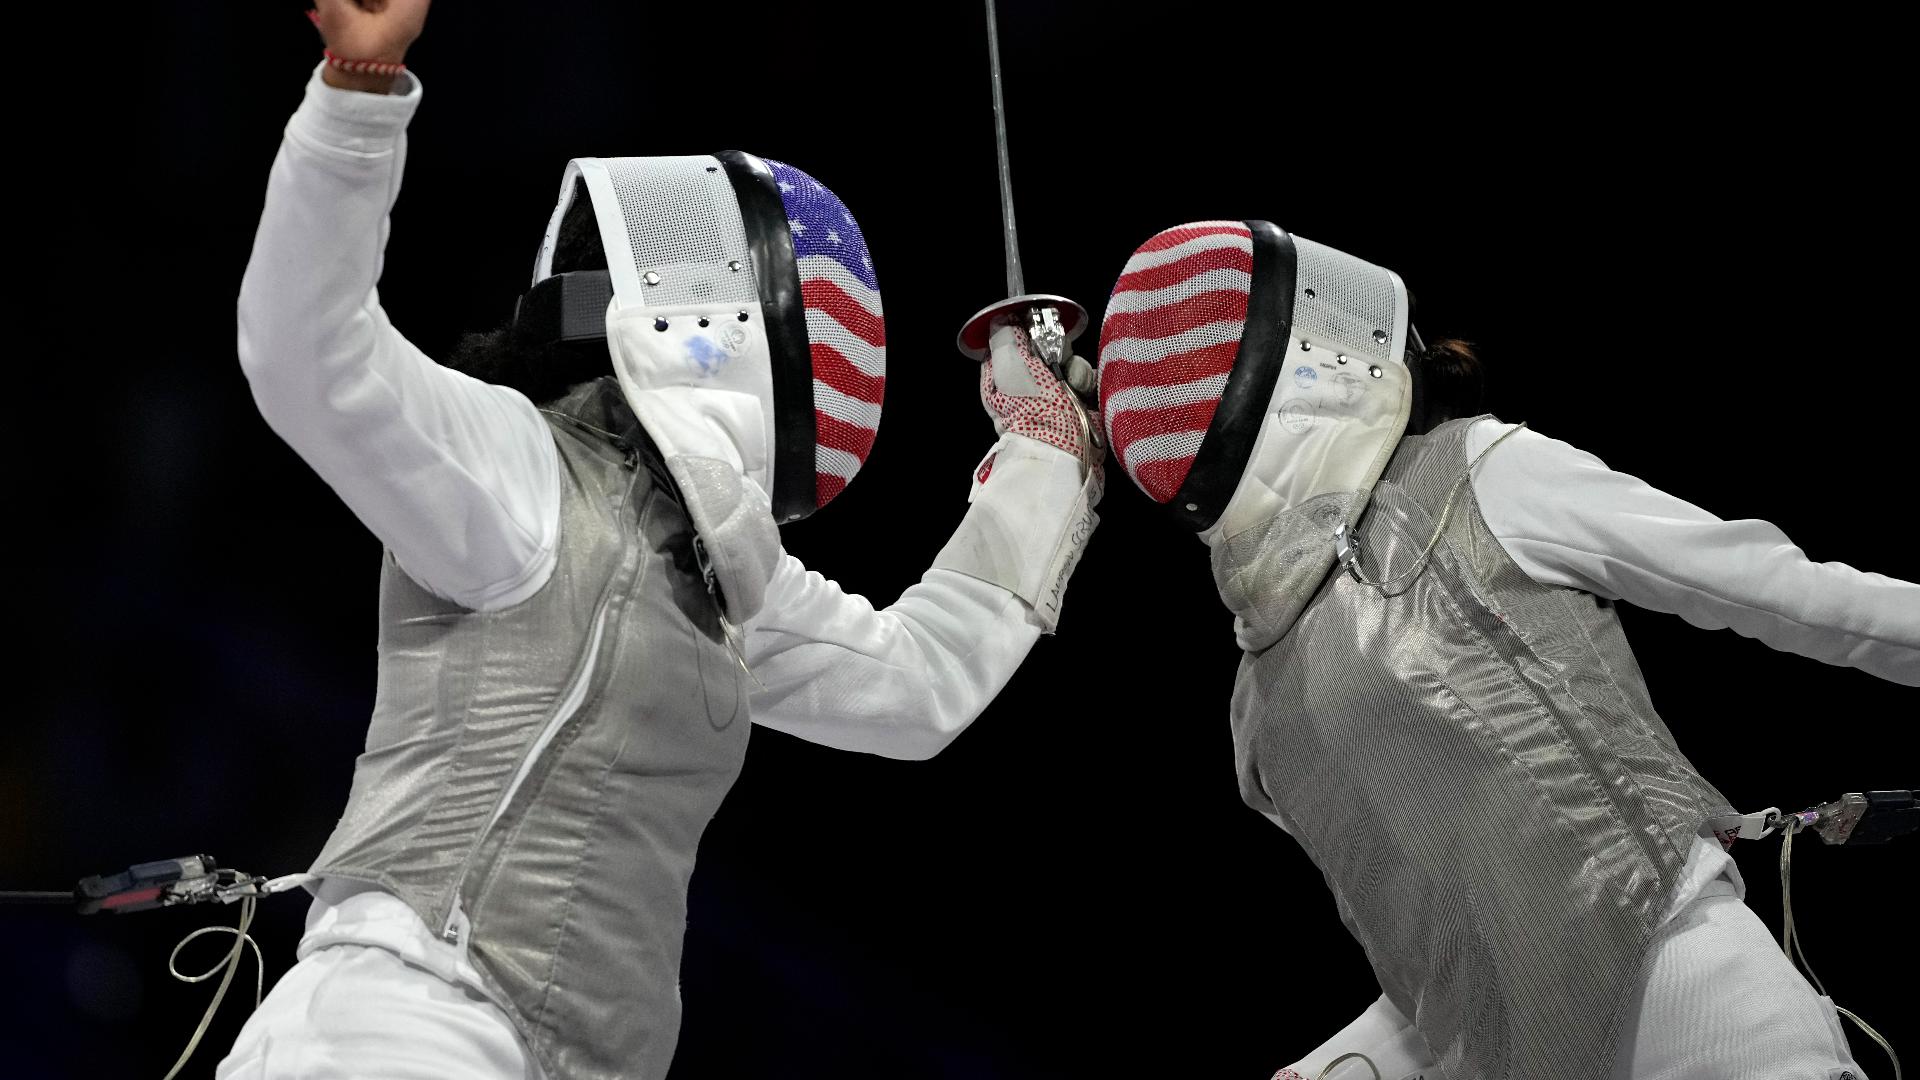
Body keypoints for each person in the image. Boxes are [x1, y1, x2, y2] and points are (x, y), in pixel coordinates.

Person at [216, 3, 1102, 1077]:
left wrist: (1047, 457)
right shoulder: (524, 476)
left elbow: (918, 687)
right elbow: (311, 356)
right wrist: (355, 94)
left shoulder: (723, 586)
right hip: (406, 1026)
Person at [1094, 220, 1917, 1080]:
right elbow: (1455, 964)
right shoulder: (1260, 711)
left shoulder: (1472, 481)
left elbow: (1803, 599)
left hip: (1712, 1021)